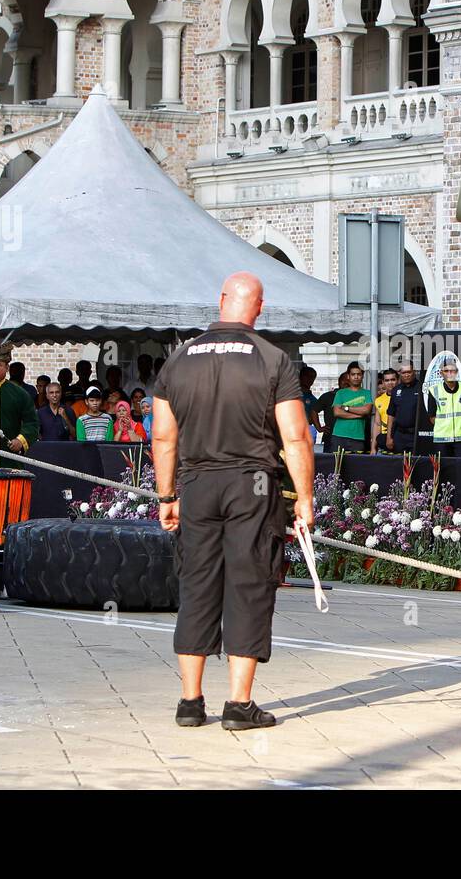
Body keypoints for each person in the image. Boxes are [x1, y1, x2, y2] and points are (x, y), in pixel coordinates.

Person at [152, 271, 313, 731]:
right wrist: (304, 497)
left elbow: (163, 435)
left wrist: (167, 495)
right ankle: (239, 705)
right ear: (259, 308)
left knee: (197, 584)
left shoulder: (179, 359)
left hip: (198, 484)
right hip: (254, 486)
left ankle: (189, 701)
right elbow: (296, 436)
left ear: (220, 300)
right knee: (249, 582)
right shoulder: (272, 359)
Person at [427, 360, 461, 458]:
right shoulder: (434, 390)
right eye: (446, 371)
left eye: (452, 371)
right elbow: (432, 417)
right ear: (441, 373)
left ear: (457, 372)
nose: (450, 373)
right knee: (443, 469)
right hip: (441, 439)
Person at [330, 362, 372, 454]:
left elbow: (366, 410)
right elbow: (337, 412)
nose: (356, 377)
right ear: (348, 376)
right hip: (339, 435)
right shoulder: (340, 393)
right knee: (337, 466)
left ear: (362, 376)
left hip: (358, 436)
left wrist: (346, 408)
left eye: (358, 374)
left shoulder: (367, 393)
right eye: (353, 374)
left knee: (356, 466)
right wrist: (358, 415)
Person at [385, 364, 424, 454]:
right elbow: (391, 414)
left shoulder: (422, 388)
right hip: (399, 435)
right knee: (398, 464)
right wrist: (388, 437)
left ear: (414, 372)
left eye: (409, 372)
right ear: (399, 373)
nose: (406, 375)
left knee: (415, 463)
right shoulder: (396, 390)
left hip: (416, 435)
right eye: (403, 372)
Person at [315, 373, 345, 453]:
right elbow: (314, 410)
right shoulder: (328, 396)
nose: (346, 383)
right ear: (339, 382)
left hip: (350, 437)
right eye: (344, 381)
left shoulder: (356, 396)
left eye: (348, 381)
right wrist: (319, 427)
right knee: (329, 462)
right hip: (330, 436)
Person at [370, 368, 397, 453]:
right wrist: (373, 447)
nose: (390, 383)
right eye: (387, 380)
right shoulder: (379, 400)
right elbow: (377, 424)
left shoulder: (404, 396)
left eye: (393, 379)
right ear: (383, 382)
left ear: (398, 380)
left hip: (399, 438)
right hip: (383, 440)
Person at [299, 366, 321, 443]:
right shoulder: (290, 393)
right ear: (301, 376)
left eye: (312, 377)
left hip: (307, 428)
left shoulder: (313, 399)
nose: (310, 379)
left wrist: (319, 428)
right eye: (307, 376)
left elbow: (314, 414)